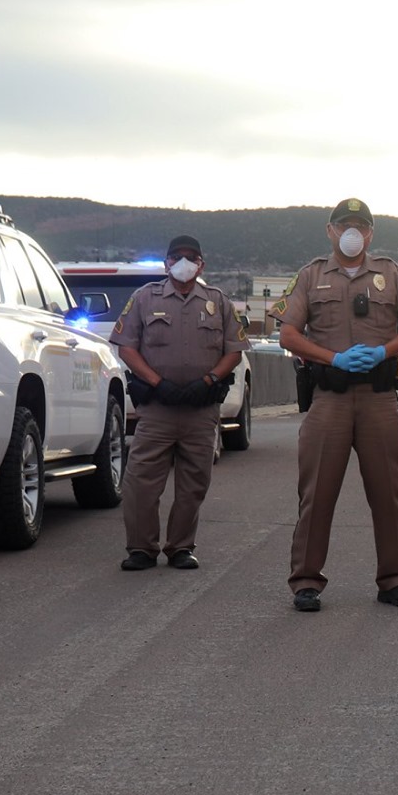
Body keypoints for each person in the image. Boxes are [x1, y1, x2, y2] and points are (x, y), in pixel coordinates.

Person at [276, 198, 398, 610]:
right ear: (330, 231)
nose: (352, 232)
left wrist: (385, 352)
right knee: (316, 493)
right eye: (344, 225)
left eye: (360, 226)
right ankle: (306, 581)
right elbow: (288, 335)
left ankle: (395, 579)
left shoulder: (390, 272)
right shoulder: (311, 275)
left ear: (370, 233)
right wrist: (332, 358)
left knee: (387, 492)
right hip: (329, 397)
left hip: (379, 398)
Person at [111, 235, 245, 570]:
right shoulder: (145, 298)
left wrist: (209, 381)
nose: (183, 262)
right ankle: (141, 548)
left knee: (194, 482)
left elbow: (234, 350)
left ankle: (181, 547)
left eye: (191, 257)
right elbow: (126, 346)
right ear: (166, 263)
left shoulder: (218, 301)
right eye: (177, 256)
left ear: (201, 264)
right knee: (141, 480)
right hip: (158, 406)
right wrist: (158, 383)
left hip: (201, 408)